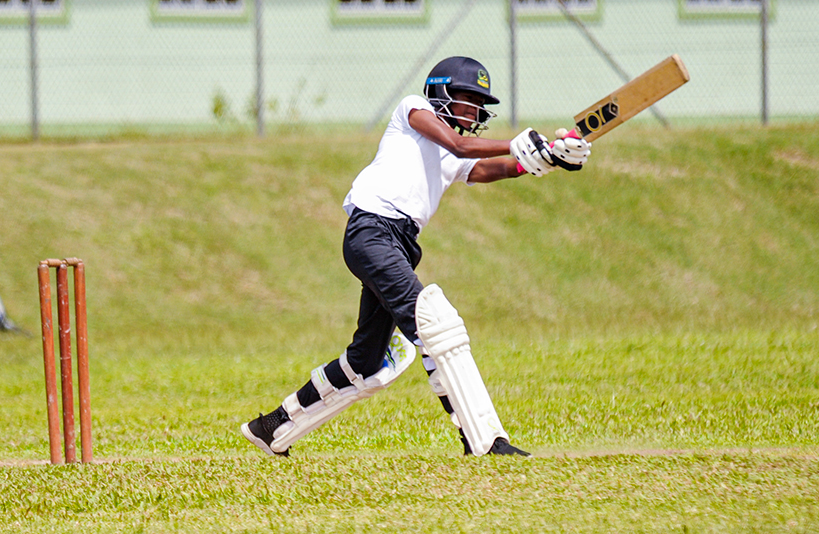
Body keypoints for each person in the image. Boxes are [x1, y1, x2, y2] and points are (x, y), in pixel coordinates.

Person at [241, 56, 591, 457]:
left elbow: (490, 167)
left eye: (480, 103)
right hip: (372, 230)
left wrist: (547, 159)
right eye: (467, 98)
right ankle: (484, 441)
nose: (475, 110)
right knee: (434, 324)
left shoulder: (455, 152)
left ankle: (272, 428)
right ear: (441, 91)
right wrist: (518, 142)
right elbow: (459, 144)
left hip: (399, 243)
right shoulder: (413, 109)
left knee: (367, 363)